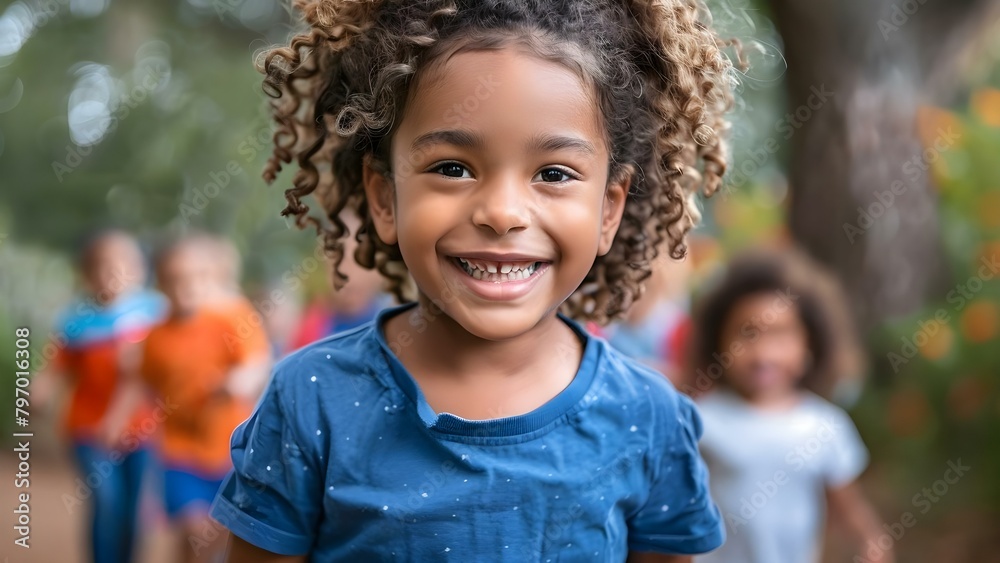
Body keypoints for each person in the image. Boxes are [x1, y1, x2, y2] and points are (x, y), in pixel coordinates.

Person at [212, 0, 739, 560]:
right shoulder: (312, 399)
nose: (502, 213)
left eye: (554, 173)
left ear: (608, 209)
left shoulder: (647, 419)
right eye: (452, 168)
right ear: (385, 197)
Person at [687, 248, 891, 563]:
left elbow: (847, 505)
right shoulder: (700, 420)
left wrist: (871, 544)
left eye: (780, 335)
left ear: (810, 344)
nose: (763, 354)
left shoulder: (824, 426)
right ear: (718, 340)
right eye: (746, 334)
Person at [34, 229, 166, 563]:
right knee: (107, 502)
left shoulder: (156, 314)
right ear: (87, 274)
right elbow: (55, 365)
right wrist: (40, 389)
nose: (115, 272)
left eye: (125, 263)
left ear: (141, 269)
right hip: (89, 429)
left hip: (143, 430)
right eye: (104, 265)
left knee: (134, 509)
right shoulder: (76, 322)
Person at [137, 238, 271, 563]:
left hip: (229, 451)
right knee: (194, 528)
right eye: (174, 279)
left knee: (214, 536)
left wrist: (238, 381)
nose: (186, 287)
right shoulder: (155, 336)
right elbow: (145, 384)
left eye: (196, 277)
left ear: (210, 277)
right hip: (179, 450)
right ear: (160, 284)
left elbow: (257, 362)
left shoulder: (231, 317)